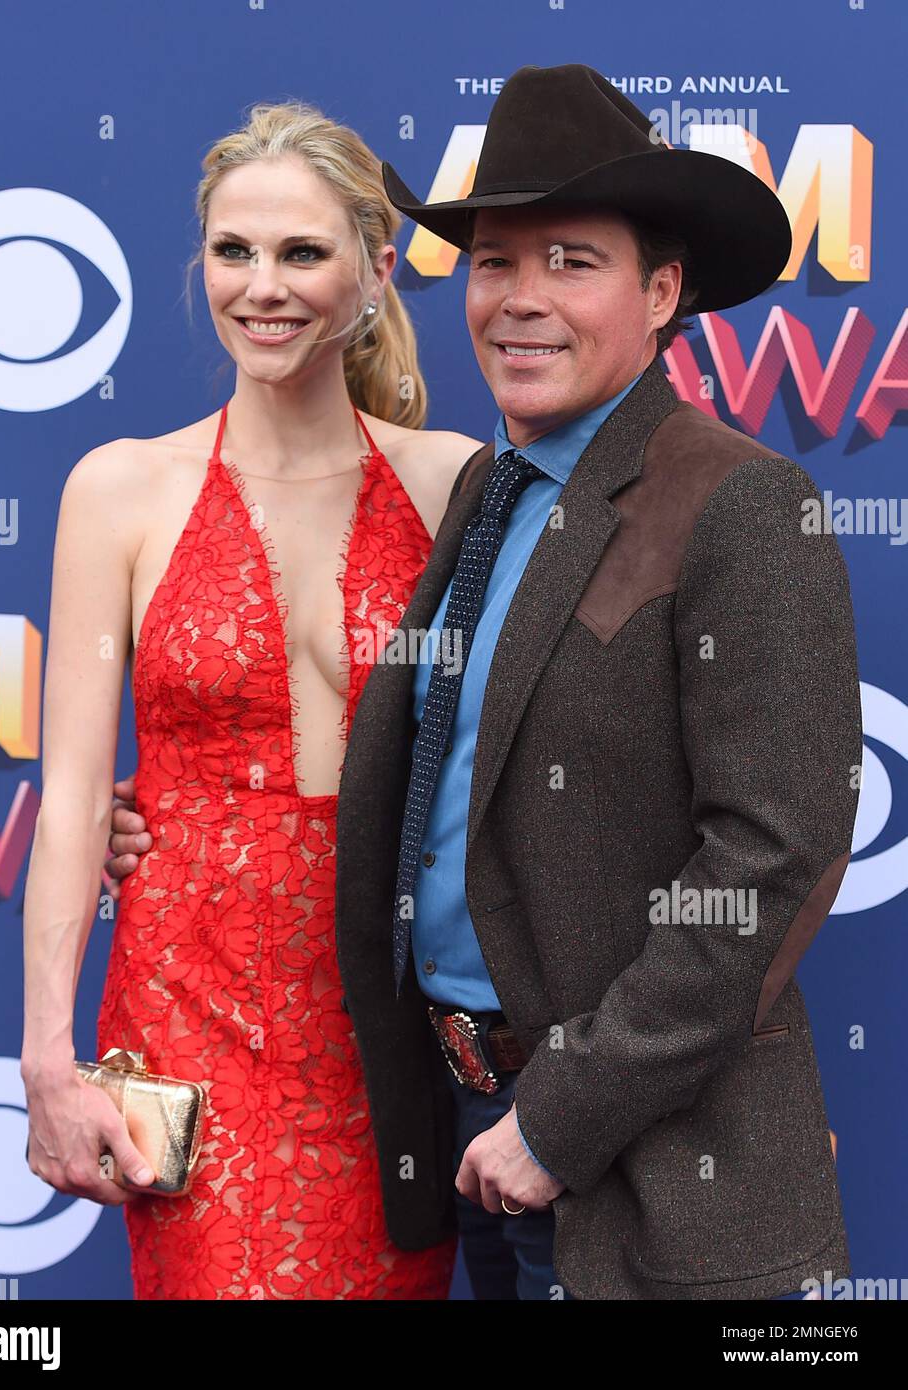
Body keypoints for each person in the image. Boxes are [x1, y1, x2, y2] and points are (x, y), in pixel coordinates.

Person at [108, 66, 862, 1301]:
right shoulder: (484, 493)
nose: (519, 300)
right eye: (495, 262)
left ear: (663, 292)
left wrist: (561, 1117)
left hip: (648, 1162)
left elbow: (773, 862)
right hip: (464, 1128)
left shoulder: (740, 503)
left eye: (571, 261)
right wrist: (158, 818)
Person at [22, 99, 481, 1299]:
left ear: (378, 273)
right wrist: (45, 1062)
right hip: (187, 1006)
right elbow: (70, 799)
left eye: (301, 253)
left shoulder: (455, 487)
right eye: (233, 250)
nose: (261, 286)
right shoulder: (117, 489)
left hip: (389, 1028)